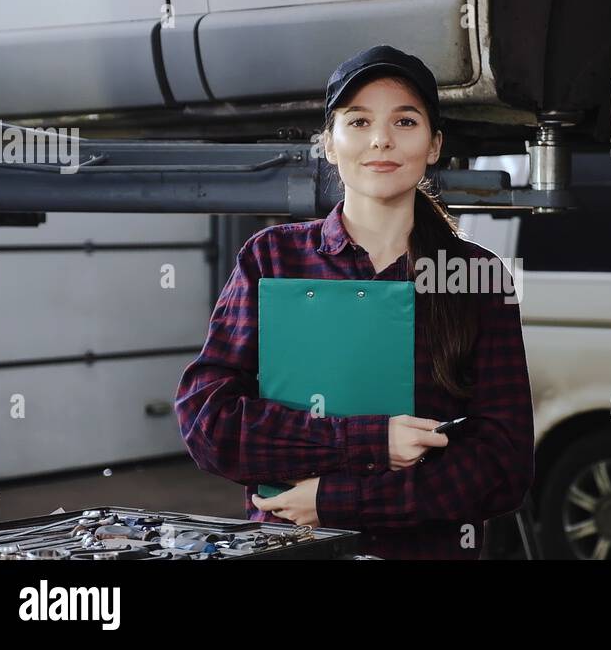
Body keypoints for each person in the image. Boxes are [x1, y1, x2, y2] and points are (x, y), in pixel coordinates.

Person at [173, 45, 535, 559]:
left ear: (434, 145)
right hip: (292, 548)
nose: (381, 139)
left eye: (405, 121)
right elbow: (206, 423)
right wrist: (368, 442)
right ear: (329, 143)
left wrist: (339, 499)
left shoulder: (474, 278)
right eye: (359, 121)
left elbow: (504, 466)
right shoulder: (272, 259)